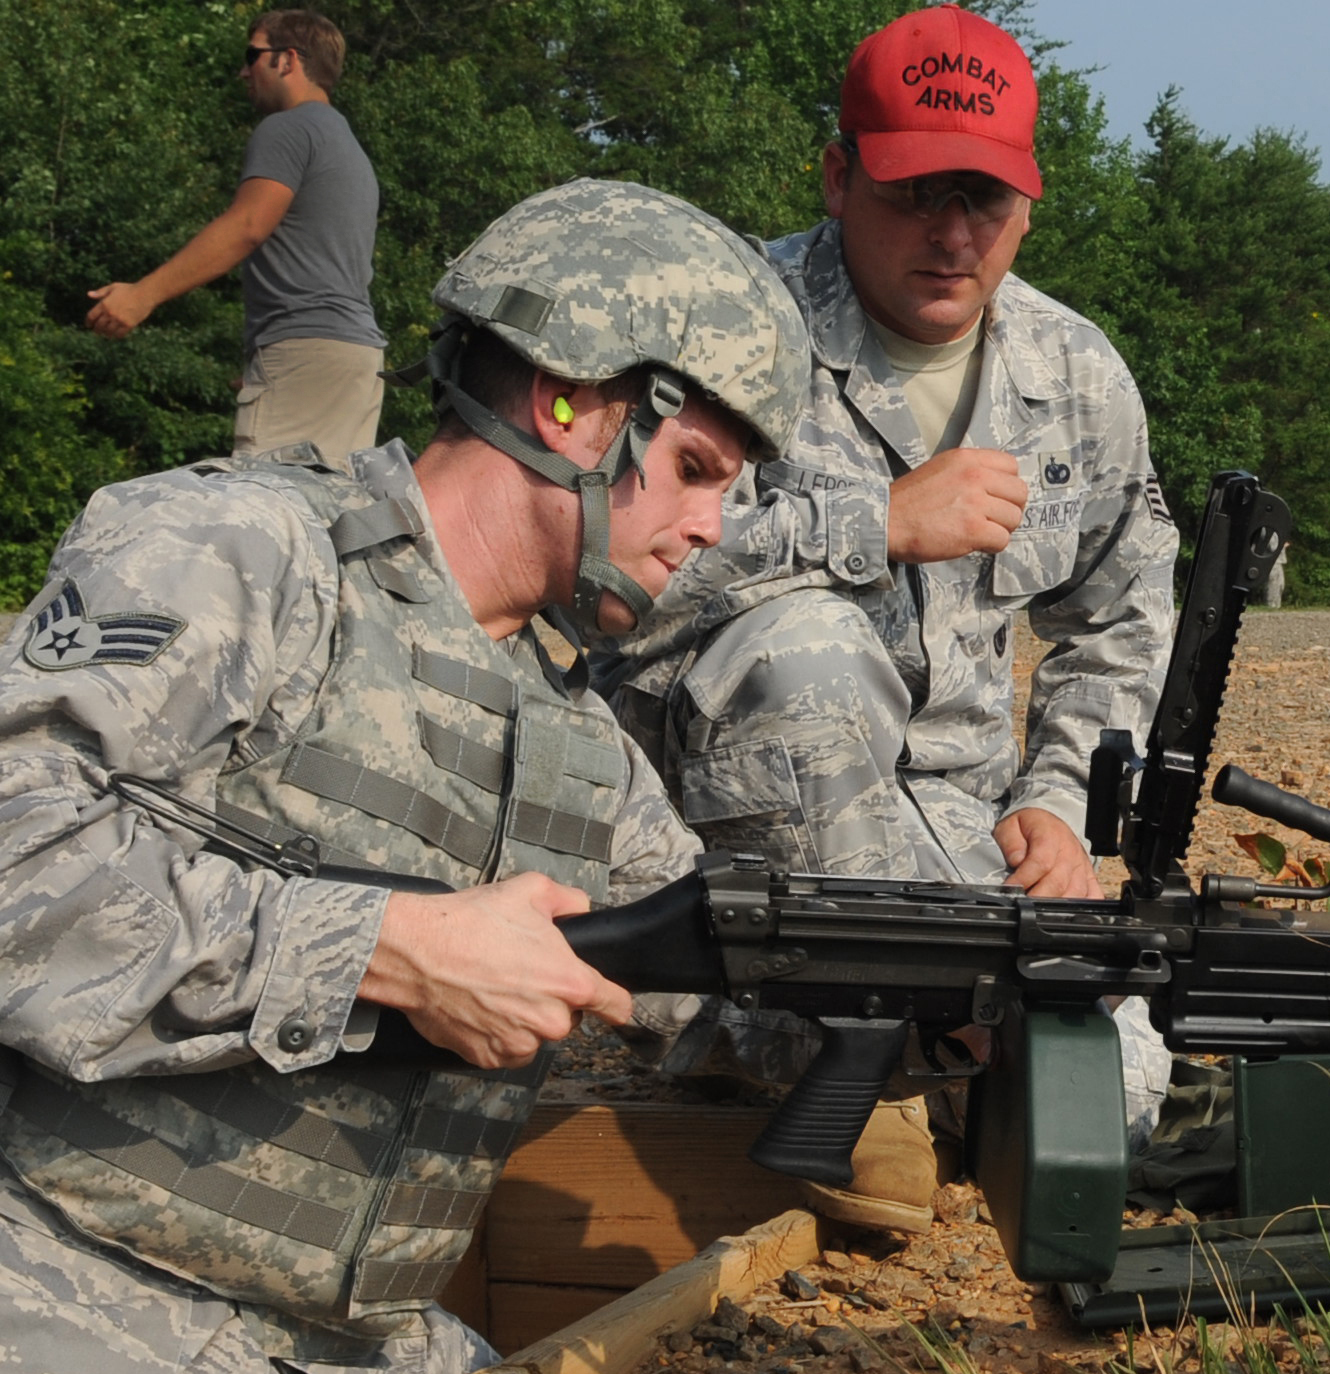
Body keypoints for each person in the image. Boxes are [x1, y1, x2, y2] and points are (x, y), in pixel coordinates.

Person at [0, 180, 808, 1372]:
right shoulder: (255, 554)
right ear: (574, 406)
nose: (712, 529)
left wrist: (973, 1010)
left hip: (357, 1341)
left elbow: (735, 1003)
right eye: (695, 467)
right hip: (71, 1283)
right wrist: (387, 950)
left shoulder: (580, 743)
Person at [598, 5, 1179, 1233]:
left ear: (1030, 202)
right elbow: (600, 582)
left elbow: (1121, 620)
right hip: (719, 842)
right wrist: (873, 522)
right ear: (838, 174)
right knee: (809, 648)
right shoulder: (721, 333)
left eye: (988, 199)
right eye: (918, 192)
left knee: (1107, 1091)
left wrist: (1055, 803)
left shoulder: (1075, 375)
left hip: (952, 820)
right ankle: (809, 1048)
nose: (955, 234)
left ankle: (884, 1068)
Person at [85, 10, 388, 461]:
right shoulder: (347, 146)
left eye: (252, 55)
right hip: (355, 359)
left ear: (287, 60)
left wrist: (141, 295)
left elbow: (247, 226)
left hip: (305, 353)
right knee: (326, 519)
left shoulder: (288, 128)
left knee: (265, 513)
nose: (242, 70)